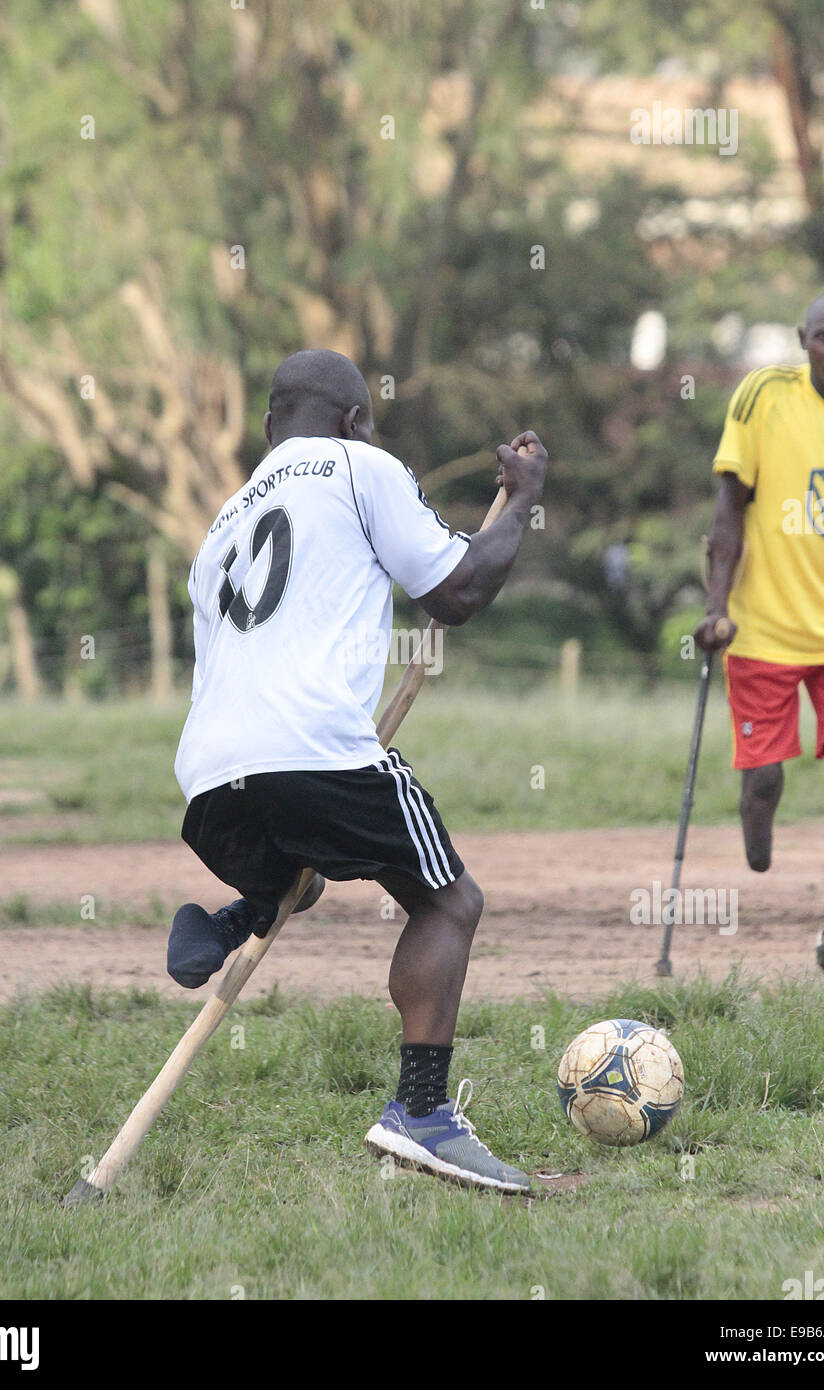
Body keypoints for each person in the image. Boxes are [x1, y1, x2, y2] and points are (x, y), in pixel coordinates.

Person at [168, 348, 546, 1191]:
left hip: (207, 782)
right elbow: (454, 592)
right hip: (314, 751)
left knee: (303, 853)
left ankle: (246, 905)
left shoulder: (220, 526)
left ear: (268, 429)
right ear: (354, 421)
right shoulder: (358, 465)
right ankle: (421, 1115)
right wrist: (518, 504)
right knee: (450, 901)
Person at [696, 289, 824, 975]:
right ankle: (756, 825)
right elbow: (728, 513)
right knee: (766, 780)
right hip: (762, 631)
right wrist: (717, 607)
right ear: (804, 339)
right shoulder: (763, 397)